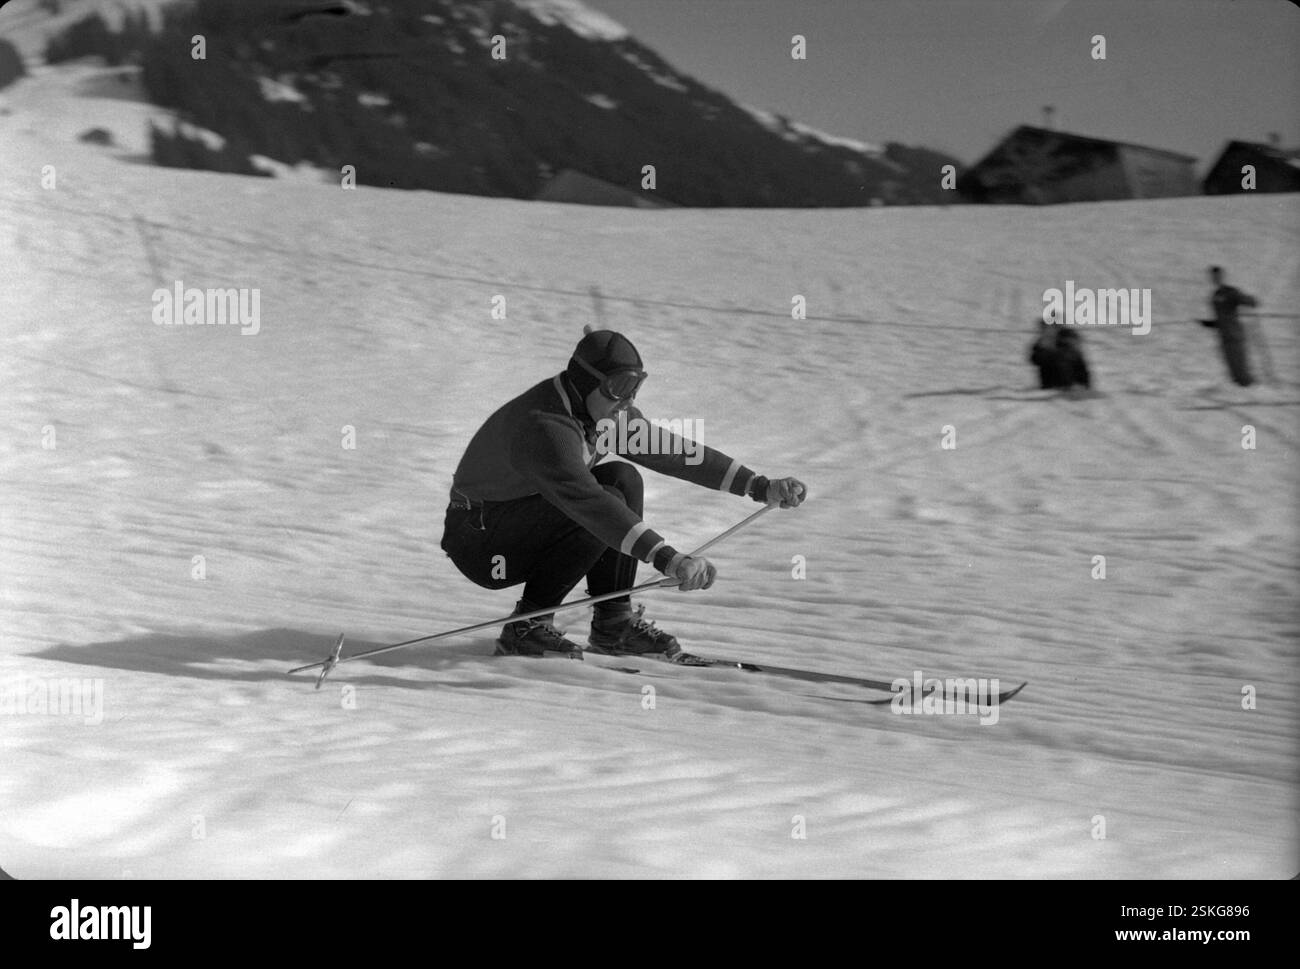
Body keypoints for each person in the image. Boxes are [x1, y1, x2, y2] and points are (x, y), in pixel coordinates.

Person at [440, 328, 808, 658]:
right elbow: (592, 506)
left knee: (622, 478)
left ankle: (613, 625)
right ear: (586, 382)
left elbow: (677, 454)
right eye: (618, 388)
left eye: (635, 388)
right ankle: (526, 627)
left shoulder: (605, 414)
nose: (628, 401)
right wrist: (669, 559)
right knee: (604, 503)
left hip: (518, 517)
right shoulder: (546, 427)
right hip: (481, 542)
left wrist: (759, 486)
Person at [1202, 266, 1258, 386]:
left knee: (1241, 370)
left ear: (1222, 277)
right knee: (1233, 373)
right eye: (1213, 277)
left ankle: (1254, 391)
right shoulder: (1215, 296)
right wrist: (1209, 324)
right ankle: (1244, 394)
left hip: (1235, 336)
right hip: (1224, 338)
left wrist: (1251, 300)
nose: (1215, 279)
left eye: (1217, 276)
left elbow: (1250, 301)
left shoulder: (1230, 292)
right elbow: (1221, 320)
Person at [1028, 314, 1091, 391]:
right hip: (1050, 387)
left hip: (1072, 387)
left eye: (1052, 327)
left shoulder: (1068, 342)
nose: (1048, 331)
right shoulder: (1041, 344)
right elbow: (1035, 359)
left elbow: (1077, 364)